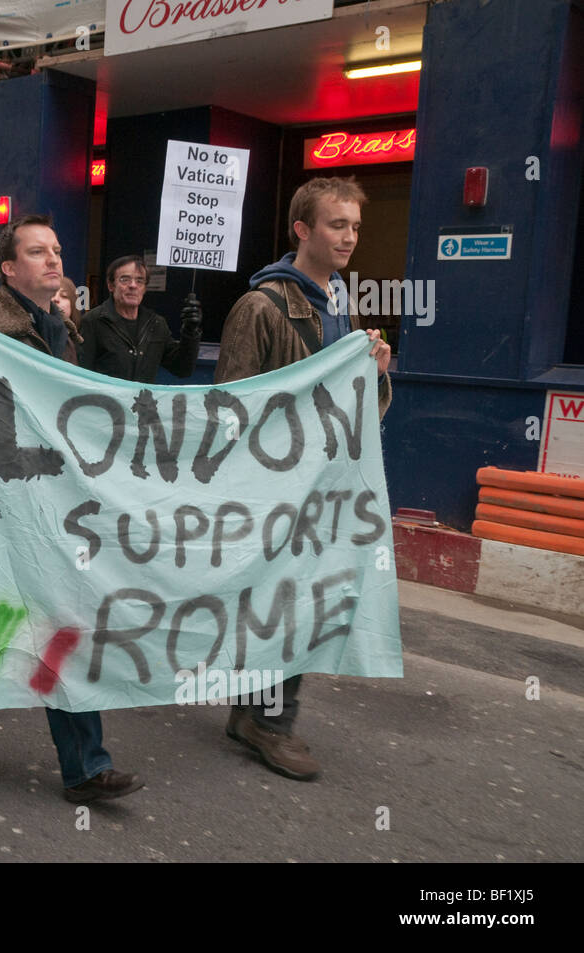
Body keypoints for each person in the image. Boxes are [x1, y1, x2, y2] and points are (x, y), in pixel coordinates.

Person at [0, 214, 144, 804]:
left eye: (58, 251)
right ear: (9, 268)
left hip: (52, 499)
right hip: (2, 500)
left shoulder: (62, 328)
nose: (54, 260)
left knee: (37, 608)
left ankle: (82, 766)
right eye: (38, 252)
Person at [214, 175, 392, 782]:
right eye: (337, 225)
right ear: (302, 230)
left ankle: (252, 715)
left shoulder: (340, 303)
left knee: (296, 602)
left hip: (326, 489)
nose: (350, 237)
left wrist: (373, 374)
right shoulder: (260, 307)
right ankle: (270, 724)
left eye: (355, 227)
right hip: (272, 491)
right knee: (287, 605)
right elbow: (231, 409)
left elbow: (356, 414)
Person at [78, 255, 202, 383]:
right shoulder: (93, 321)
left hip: (142, 402)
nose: (133, 285)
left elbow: (182, 369)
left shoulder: (157, 324)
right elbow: (82, 375)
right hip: (105, 402)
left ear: (144, 288)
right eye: (125, 279)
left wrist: (190, 332)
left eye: (139, 281)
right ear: (111, 285)